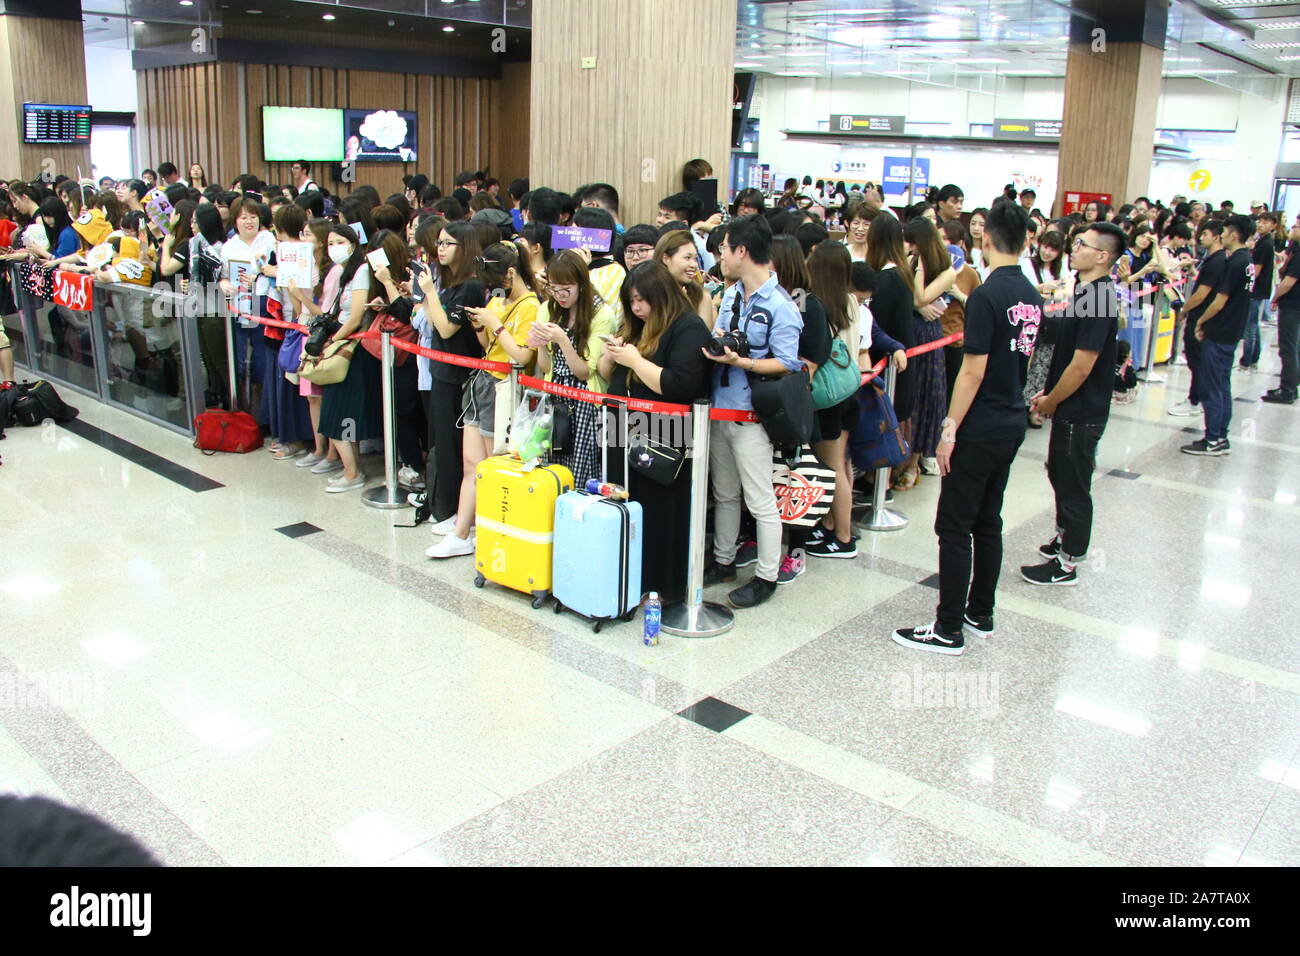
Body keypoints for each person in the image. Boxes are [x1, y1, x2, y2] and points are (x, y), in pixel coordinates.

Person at [891, 200, 1042, 655]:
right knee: (988, 521)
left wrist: (949, 427)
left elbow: (972, 371)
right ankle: (981, 611)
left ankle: (948, 627)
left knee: (954, 525)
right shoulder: (1031, 295)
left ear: (987, 238)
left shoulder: (986, 295)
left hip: (979, 425)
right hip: (1011, 417)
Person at [700, 214, 803, 610]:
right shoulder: (730, 295)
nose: (721, 255)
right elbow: (723, 337)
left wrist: (746, 364)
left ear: (742, 251)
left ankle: (766, 576)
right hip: (720, 409)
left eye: (725, 248)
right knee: (724, 493)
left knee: (760, 499)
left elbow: (789, 363)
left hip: (751, 414)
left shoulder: (781, 305)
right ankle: (724, 561)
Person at [597, 261, 712, 601]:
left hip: (664, 433)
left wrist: (633, 361)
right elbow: (607, 375)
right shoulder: (636, 327)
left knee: (659, 510)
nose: (637, 308)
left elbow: (679, 385)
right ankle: (627, 576)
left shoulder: (688, 328)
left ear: (660, 295)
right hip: (621, 428)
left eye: (643, 300)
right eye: (631, 301)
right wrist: (612, 355)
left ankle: (659, 585)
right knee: (624, 501)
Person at [1022, 222, 1126, 587]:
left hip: (1082, 410)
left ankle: (1068, 562)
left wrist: (1052, 399)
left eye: (1082, 244)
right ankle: (1063, 535)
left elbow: (1083, 364)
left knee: (1073, 482)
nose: (1074, 248)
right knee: (1059, 472)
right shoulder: (1085, 290)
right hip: (1069, 405)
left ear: (1102, 256)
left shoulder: (1099, 297)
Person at [428, 241, 540, 559]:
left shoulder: (531, 305)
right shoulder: (497, 299)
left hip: (506, 388)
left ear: (511, 273)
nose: (493, 288)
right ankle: (461, 533)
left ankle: (491, 532)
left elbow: (521, 357)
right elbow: (486, 344)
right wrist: (481, 325)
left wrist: (496, 324)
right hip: (482, 384)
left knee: (494, 469)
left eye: (496, 281)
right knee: (472, 465)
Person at [415, 219, 486, 528]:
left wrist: (430, 293)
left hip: (460, 374)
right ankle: (444, 508)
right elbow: (433, 325)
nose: (440, 249)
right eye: (439, 244)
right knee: (442, 443)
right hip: (442, 371)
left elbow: (446, 327)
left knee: (455, 445)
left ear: (464, 247)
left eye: (447, 244)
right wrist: (428, 294)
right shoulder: (451, 284)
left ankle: (458, 513)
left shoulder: (472, 286)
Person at [529, 249, 618, 486]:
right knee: (550, 470)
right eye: (553, 288)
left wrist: (563, 340)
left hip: (585, 401)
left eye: (566, 288)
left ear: (581, 283)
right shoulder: (547, 308)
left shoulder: (602, 314)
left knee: (580, 475)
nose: (560, 295)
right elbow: (546, 366)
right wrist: (539, 345)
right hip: (554, 397)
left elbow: (585, 372)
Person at [1180, 215, 1253, 456]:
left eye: (1224, 232)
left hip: (1221, 331)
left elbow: (1219, 301)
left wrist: (1200, 321)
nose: (1220, 235)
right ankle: (1220, 435)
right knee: (1222, 385)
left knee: (1212, 385)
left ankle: (1213, 438)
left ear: (1233, 234)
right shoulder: (1246, 260)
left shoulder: (1234, 263)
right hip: (1231, 331)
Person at [315, 224, 378, 490]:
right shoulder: (343, 272)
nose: (334, 248)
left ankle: (352, 473)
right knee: (342, 414)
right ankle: (353, 469)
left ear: (353, 243)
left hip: (351, 349)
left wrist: (334, 339)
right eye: (330, 242)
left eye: (340, 241)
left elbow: (354, 318)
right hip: (344, 345)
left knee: (338, 413)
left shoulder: (362, 270)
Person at [219, 198, 276, 418]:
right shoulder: (229, 246)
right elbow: (222, 276)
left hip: (265, 303)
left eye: (253, 216)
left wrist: (263, 273)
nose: (249, 221)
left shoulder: (269, 240)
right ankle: (241, 411)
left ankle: (262, 415)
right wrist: (224, 284)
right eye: (243, 217)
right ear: (235, 221)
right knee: (240, 357)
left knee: (263, 358)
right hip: (240, 304)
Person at [1169, 221, 1224, 418]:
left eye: (1205, 234)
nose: (1201, 238)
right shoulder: (1213, 259)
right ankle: (1196, 397)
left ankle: (1195, 400)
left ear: (1216, 236)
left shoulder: (1217, 260)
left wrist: (1185, 309)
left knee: (1198, 360)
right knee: (1197, 360)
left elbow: (1202, 293)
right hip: (1200, 314)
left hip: (1199, 316)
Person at [1265, 218, 1300, 404]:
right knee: (1294, 347)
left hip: (1292, 306)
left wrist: (1275, 297)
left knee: (1288, 348)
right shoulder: (1294, 248)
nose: (1293, 228)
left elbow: (1288, 282)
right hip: (1294, 305)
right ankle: (1290, 387)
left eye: (1297, 225)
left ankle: (1288, 390)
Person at [654, 229, 716, 328]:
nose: (694, 265)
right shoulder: (650, 292)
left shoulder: (701, 297)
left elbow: (703, 337)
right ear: (666, 259)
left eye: (695, 258)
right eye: (687, 258)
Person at [1241, 211, 1278, 371]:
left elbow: (1256, 270)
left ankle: (1247, 359)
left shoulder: (1265, 244)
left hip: (1255, 289)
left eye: (1265, 222)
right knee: (1254, 323)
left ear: (1273, 226)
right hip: (1259, 289)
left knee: (1250, 324)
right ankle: (1254, 356)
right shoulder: (1261, 241)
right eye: (1260, 221)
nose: (1261, 224)